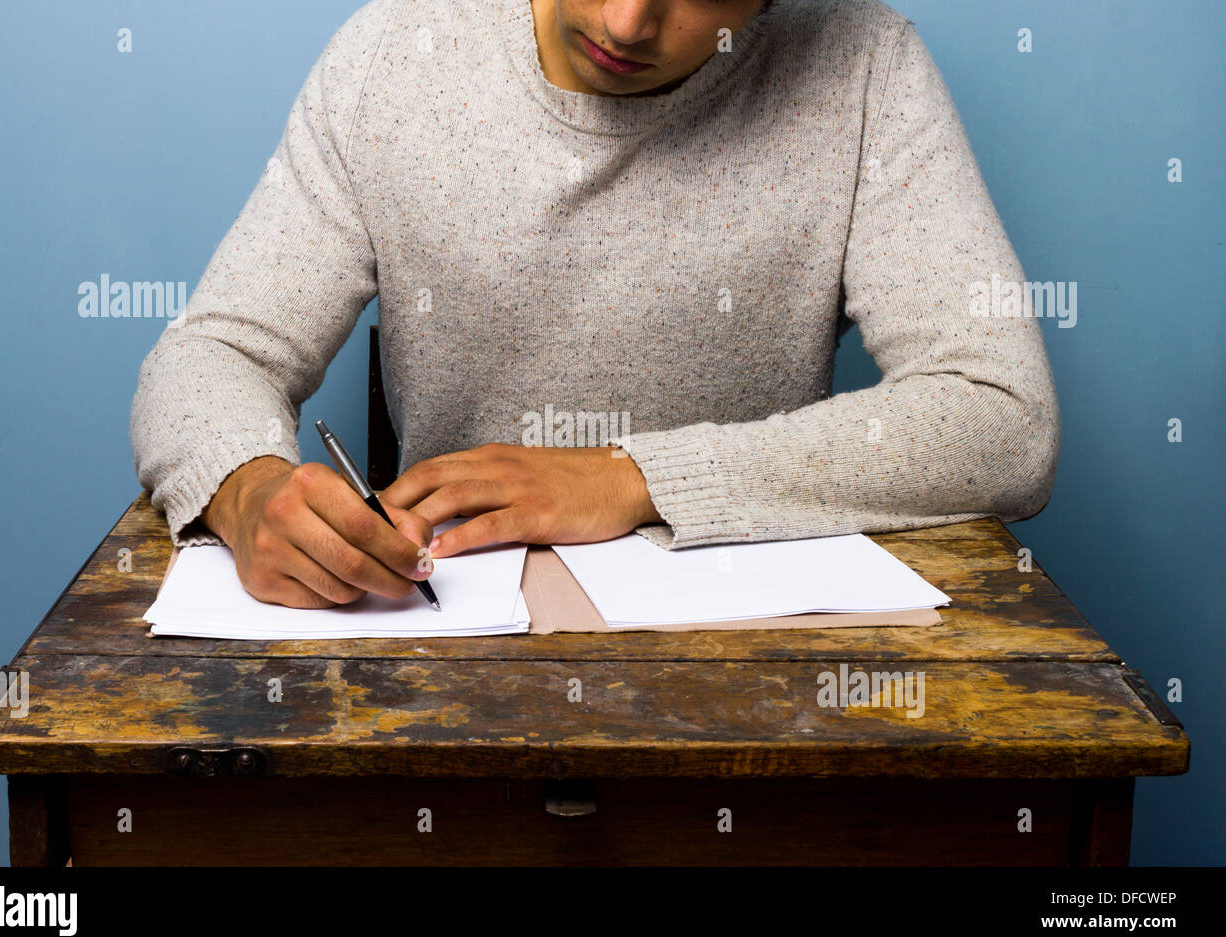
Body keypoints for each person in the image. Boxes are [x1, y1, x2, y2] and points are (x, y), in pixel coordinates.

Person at [131, 0, 1061, 609]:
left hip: (763, 673)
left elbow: (1001, 418)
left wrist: (629, 479)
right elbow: (216, 351)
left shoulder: (867, 67)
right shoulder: (393, 53)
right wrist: (245, 489)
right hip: (456, 657)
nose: (626, 20)